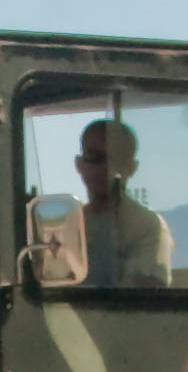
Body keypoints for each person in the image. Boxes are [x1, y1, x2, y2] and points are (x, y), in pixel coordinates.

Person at [37, 117, 173, 289]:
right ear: (79, 164)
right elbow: (50, 287)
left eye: (115, 159)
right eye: (94, 157)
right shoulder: (63, 228)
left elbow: (143, 297)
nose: (104, 167)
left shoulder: (148, 226)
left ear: (131, 167)